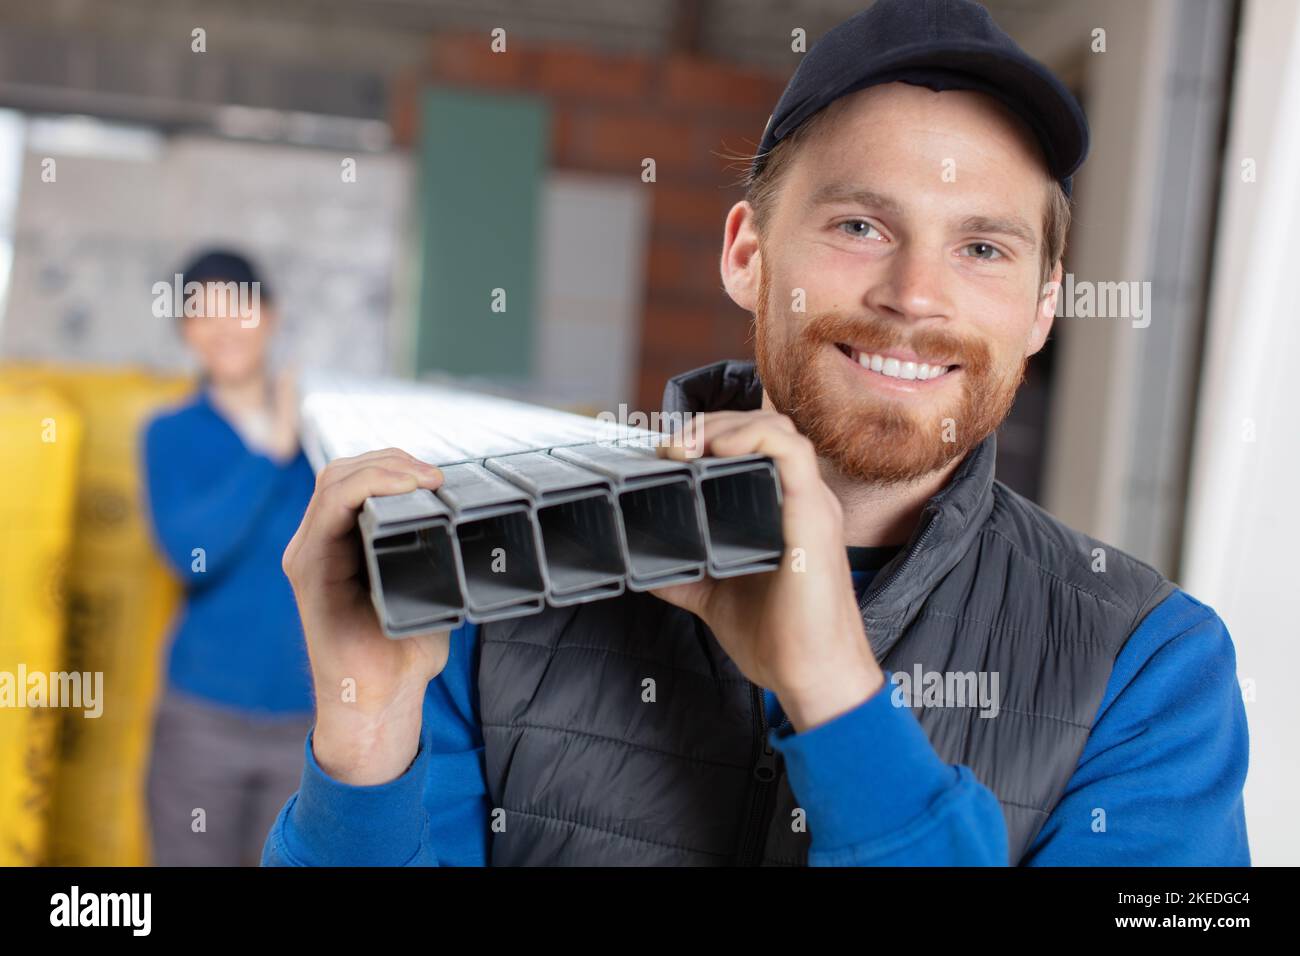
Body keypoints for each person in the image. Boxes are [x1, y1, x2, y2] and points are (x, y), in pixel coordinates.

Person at [263, 0, 1249, 866]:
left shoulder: (1149, 666)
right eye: (860, 225)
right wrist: (363, 734)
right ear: (747, 253)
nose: (913, 296)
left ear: (1042, 308)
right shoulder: (489, 572)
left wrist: (833, 691)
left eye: (982, 247)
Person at [142, 250, 315, 866]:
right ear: (186, 331)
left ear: (269, 316)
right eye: (201, 313)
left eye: (238, 309)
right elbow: (193, 557)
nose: (222, 327)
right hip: (203, 720)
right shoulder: (171, 433)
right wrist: (269, 451)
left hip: (310, 724)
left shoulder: (325, 435)